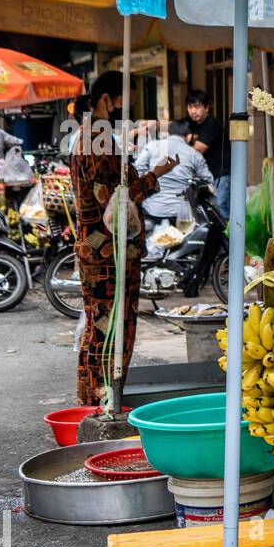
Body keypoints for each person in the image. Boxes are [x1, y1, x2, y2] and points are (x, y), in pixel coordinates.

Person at [70, 71, 179, 406]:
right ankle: (99, 400)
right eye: (124, 100)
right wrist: (154, 176)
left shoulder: (92, 135)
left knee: (102, 323)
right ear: (107, 99)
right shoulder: (96, 139)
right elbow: (113, 203)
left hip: (101, 248)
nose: (125, 108)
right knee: (109, 326)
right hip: (107, 252)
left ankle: (95, 397)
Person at [132, 118, 215, 226]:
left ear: (169, 132)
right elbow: (209, 181)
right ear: (189, 136)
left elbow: (136, 171)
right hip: (181, 214)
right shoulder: (194, 154)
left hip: (151, 210)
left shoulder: (152, 146)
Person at [183, 89, 230, 220]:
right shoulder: (193, 123)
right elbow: (175, 126)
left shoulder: (212, 124)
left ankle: (228, 239)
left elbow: (197, 150)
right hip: (207, 174)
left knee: (221, 207)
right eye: (190, 107)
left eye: (197, 107)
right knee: (209, 209)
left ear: (207, 107)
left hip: (221, 173)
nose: (193, 111)